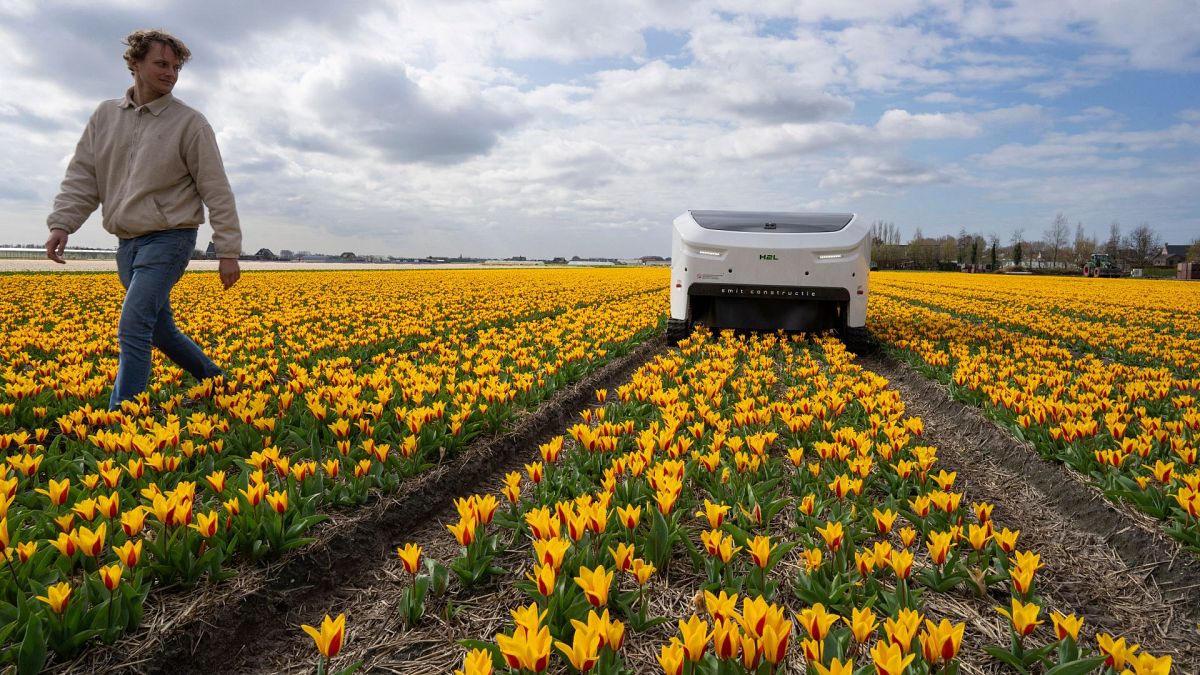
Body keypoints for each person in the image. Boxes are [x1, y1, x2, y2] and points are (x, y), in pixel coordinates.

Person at [44, 29, 242, 411]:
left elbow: (216, 189)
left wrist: (228, 250)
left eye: (176, 67)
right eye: (161, 64)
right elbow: (84, 174)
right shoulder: (105, 116)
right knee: (160, 329)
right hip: (127, 241)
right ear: (134, 63)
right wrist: (62, 223)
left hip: (171, 238)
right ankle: (218, 382)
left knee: (133, 326)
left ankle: (122, 419)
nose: (170, 73)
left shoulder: (190, 123)